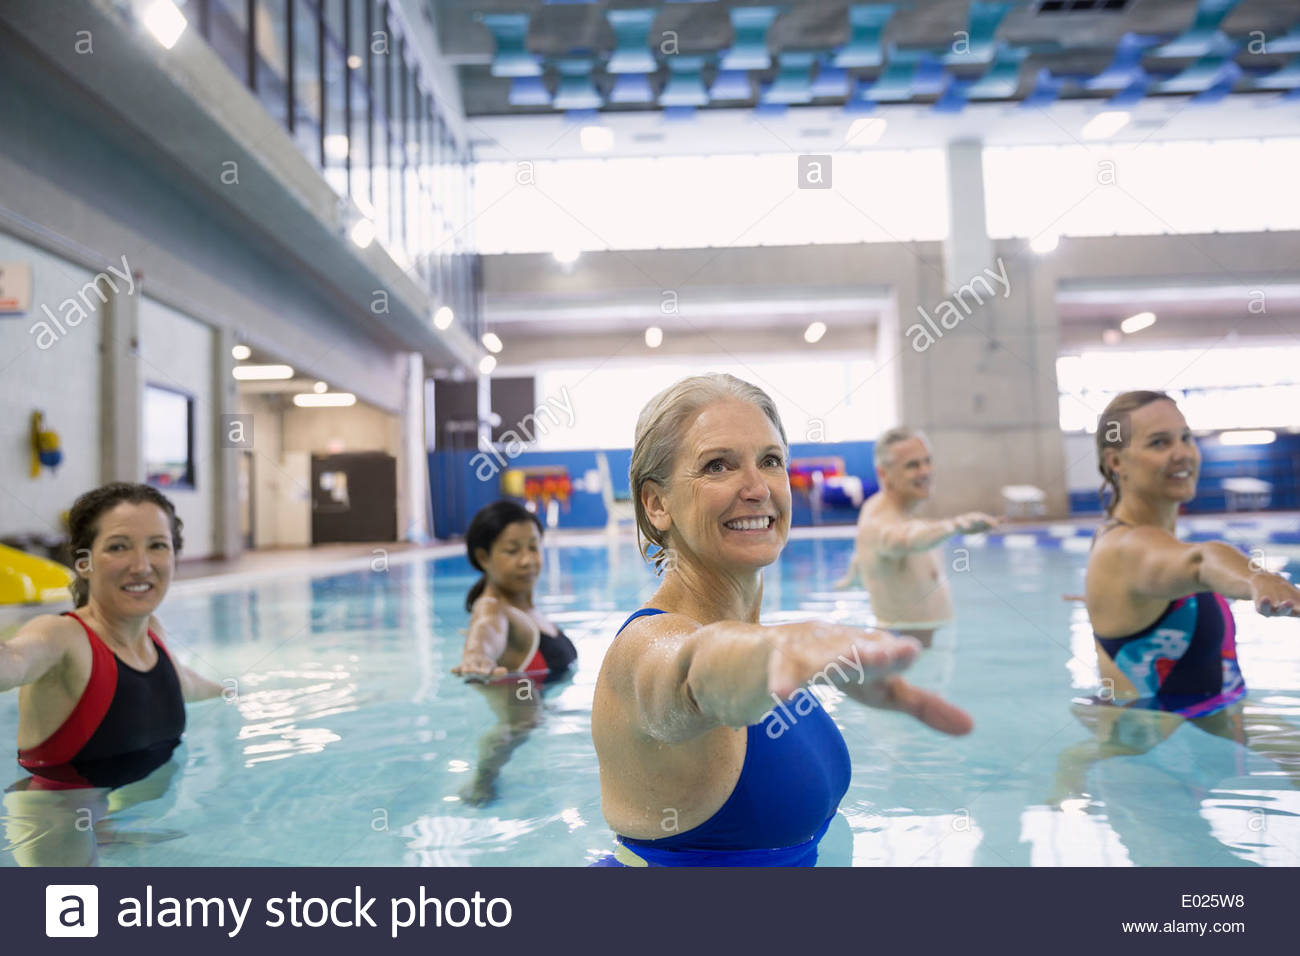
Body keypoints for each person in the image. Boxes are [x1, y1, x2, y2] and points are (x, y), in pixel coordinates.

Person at [591, 374, 973, 867]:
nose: (756, 488)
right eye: (717, 465)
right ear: (656, 503)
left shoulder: (766, 650)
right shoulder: (645, 645)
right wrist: (785, 646)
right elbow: (692, 671)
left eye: (770, 460)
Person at [1056, 391, 1300, 801]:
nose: (1182, 453)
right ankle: (1073, 770)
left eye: (1185, 437)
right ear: (1116, 462)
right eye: (1159, 443)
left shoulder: (1137, 542)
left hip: (1213, 713)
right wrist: (1259, 577)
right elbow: (1202, 561)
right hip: (1147, 754)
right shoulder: (1126, 547)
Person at [0, 483, 222, 790]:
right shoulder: (63, 637)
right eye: (118, 547)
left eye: (157, 545)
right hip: (59, 825)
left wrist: (240, 694)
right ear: (83, 564)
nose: (141, 566)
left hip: (144, 832)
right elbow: (11, 662)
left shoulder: (153, 634)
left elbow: (187, 685)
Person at [452, 500, 577, 805]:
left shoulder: (526, 607)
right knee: (519, 726)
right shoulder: (494, 607)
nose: (526, 560)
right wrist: (476, 655)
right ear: (483, 557)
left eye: (533, 547)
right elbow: (485, 629)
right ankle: (479, 784)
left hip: (539, 707)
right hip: (520, 718)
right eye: (512, 550)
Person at [834, 427, 999, 646]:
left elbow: (861, 557)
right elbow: (904, 539)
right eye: (912, 465)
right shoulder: (880, 521)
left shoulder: (899, 513)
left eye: (927, 461)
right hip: (907, 652)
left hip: (921, 647)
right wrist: (955, 525)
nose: (925, 471)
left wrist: (850, 579)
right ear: (883, 473)